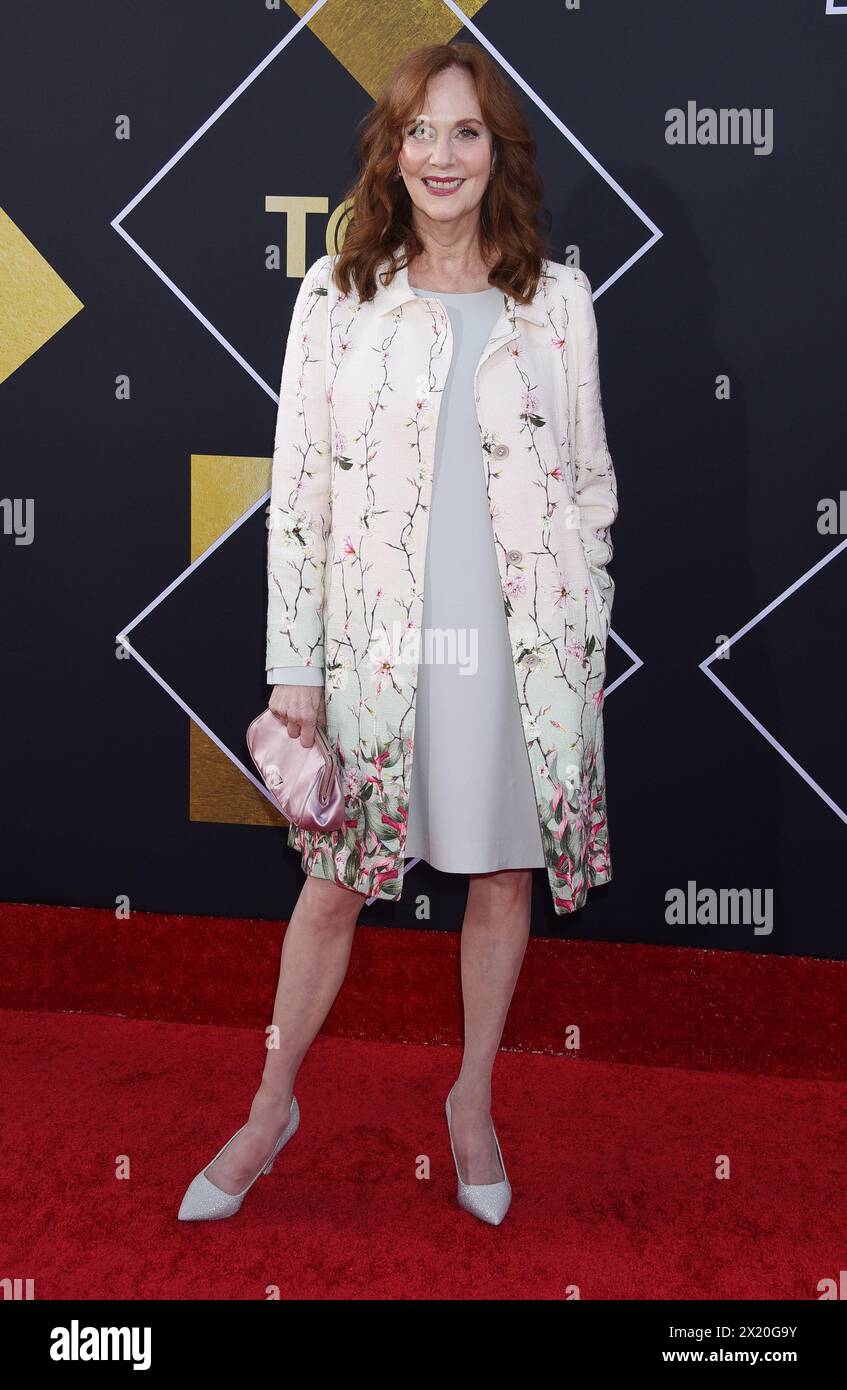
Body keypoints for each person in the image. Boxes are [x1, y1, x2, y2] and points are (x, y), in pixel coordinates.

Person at [179, 41, 618, 1227]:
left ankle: (470, 1101)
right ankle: (271, 1105)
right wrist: (296, 672)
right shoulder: (336, 296)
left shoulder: (558, 302)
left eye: (465, 132)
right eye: (419, 132)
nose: (440, 154)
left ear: (497, 154)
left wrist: (577, 651)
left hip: (518, 657)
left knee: (501, 880)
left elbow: (589, 491)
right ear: (392, 150)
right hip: (378, 657)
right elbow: (303, 495)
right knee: (331, 888)